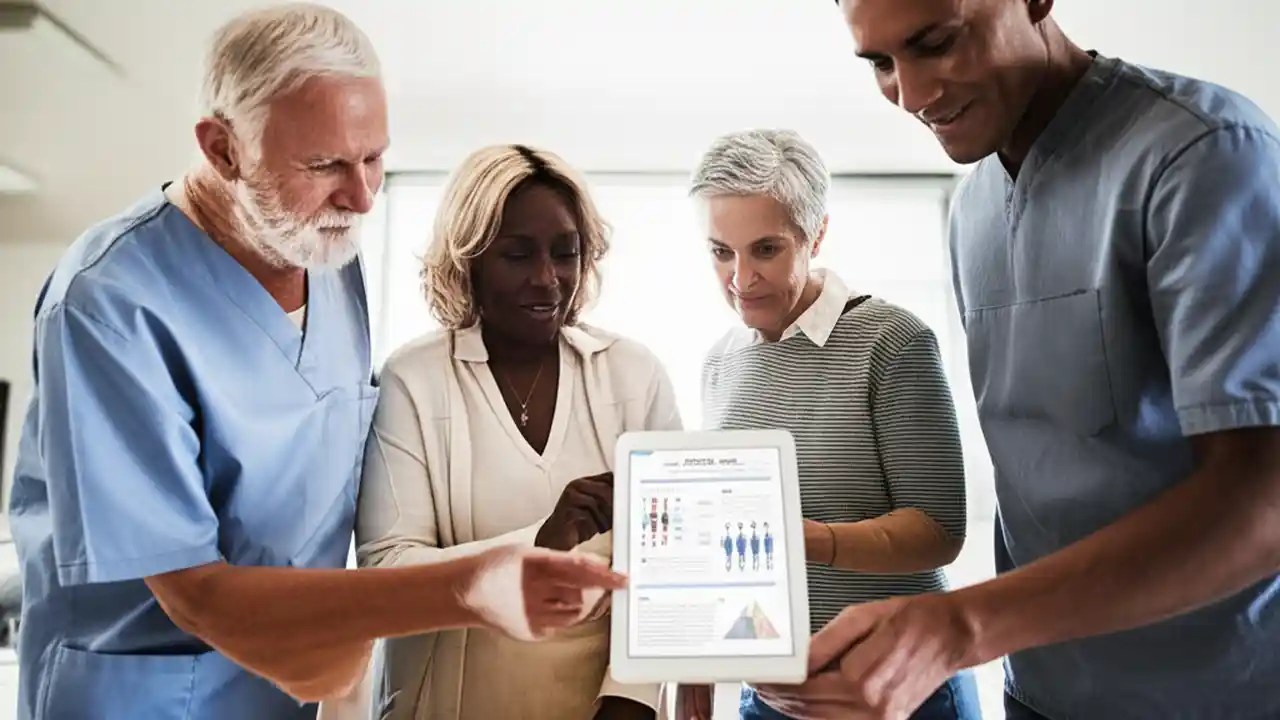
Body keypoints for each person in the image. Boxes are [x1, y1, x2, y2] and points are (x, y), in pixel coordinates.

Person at [6, 7, 624, 720]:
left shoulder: (327, 255)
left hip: (290, 693)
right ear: (222, 148)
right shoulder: (109, 304)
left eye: (374, 158)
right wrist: (470, 585)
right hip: (143, 698)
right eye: (325, 164)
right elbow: (198, 593)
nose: (361, 196)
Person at [764, 1, 1280, 718]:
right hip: (1040, 695)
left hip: (1217, 697)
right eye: (881, 64)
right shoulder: (974, 209)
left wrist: (959, 628)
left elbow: (1265, 502)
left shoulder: (1202, 155)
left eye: (936, 44)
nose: (911, 96)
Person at [354, 143, 683, 720]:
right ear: (469, 261)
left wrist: (631, 700)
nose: (548, 279)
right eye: (517, 254)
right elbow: (385, 571)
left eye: (566, 253)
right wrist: (540, 541)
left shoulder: (634, 374)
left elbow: (672, 562)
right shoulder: (414, 379)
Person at [676, 129, 979, 720]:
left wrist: (803, 540)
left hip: (898, 685)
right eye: (720, 252)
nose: (740, 278)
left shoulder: (891, 342)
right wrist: (693, 676)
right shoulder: (720, 362)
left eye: (766, 249)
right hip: (770, 695)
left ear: (815, 234)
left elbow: (940, 529)